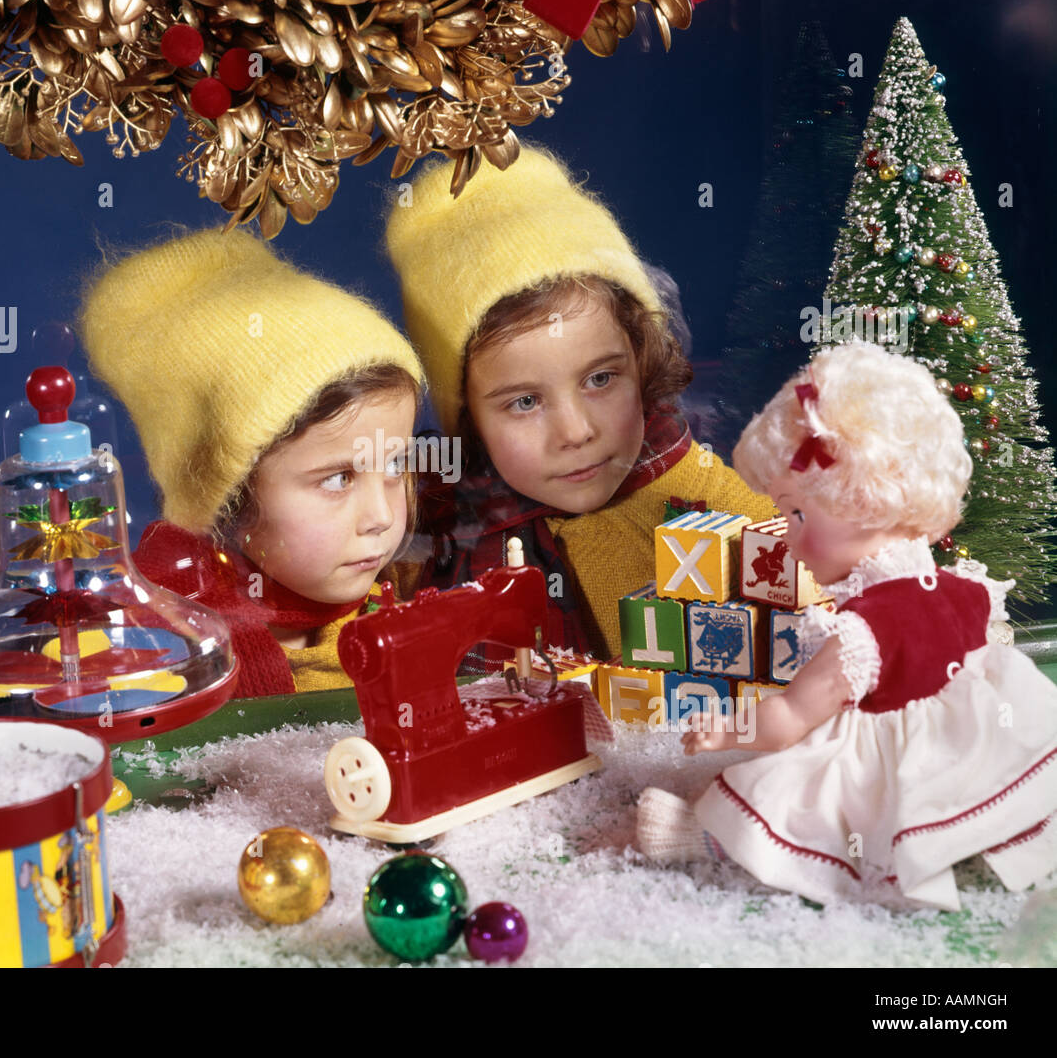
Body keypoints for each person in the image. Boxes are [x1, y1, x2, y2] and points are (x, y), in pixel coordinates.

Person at [636, 340, 1057, 910]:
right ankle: (983, 827)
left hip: (890, 763)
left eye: (797, 513)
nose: (784, 535)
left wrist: (725, 730)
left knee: (782, 785)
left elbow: (786, 719)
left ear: (865, 503)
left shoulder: (861, 632)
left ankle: (709, 836)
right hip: (966, 755)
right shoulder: (967, 590)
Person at [384, 146, 775, 670]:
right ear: (470, 417)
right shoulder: (440, 538)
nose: (575, 432)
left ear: (642, 360)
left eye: (600, 379)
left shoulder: (707, 502)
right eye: (524, 402)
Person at [78, 228, 425, 696]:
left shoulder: (412, 595)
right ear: (229, 498)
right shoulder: (162, 654)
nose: (382, 518)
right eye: (339, 478)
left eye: (394, 466)